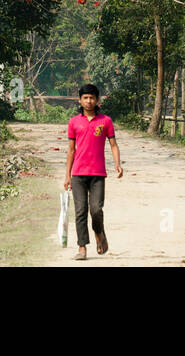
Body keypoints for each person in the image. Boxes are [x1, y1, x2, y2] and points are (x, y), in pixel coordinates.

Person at [63, 83, 122, 260]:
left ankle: (99, 233)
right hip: (78, 175)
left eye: (92, 98)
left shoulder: (106, 121)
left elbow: (113, 144)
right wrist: (67, 175)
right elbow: (71, 150)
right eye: (85, 98)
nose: (89, 101)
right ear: (80, 100)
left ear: (97, 100)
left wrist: (117, 164)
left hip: (98, 174)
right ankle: (82, 248)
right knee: (80, 211)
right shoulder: (74, 122)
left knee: (96, 209)